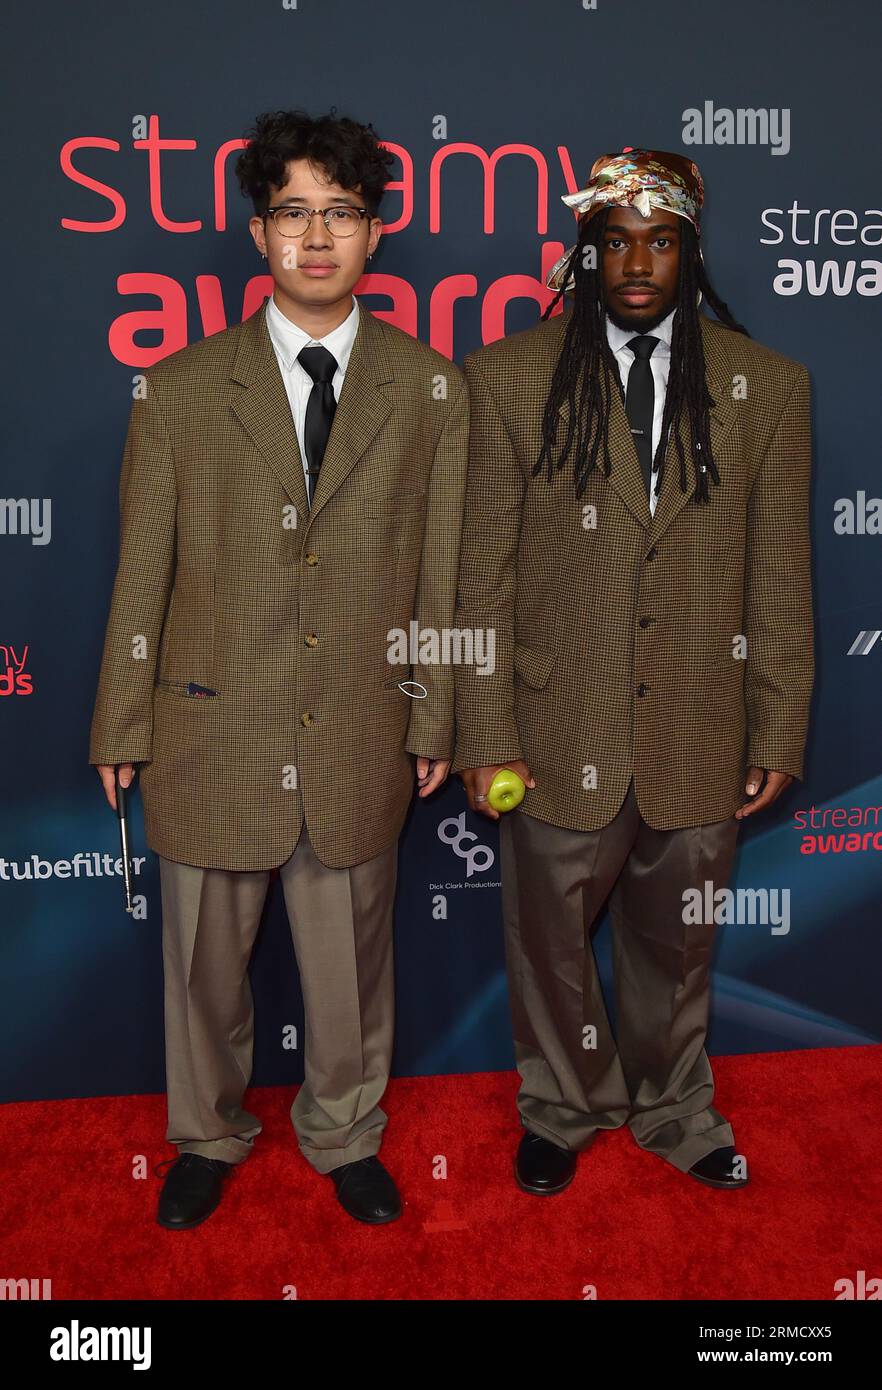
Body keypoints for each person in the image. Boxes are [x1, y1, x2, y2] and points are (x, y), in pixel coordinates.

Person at [89, 109, 468, 1228]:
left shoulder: (433, 391)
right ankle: (206, 1130)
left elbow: (444, 578)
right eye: (294, 213)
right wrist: (121, 719)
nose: (317, 237)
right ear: (259, 233)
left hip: (359, 727)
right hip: (212, 728)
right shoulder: (179, 391)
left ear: (375, 234)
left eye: (341, 214)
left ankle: (345, 1130)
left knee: (353, 964)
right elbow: (139, 573)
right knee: (204, 963)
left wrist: (434, 708)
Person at [451, 148, 813, 1194]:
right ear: (587, 255)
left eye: (660, 241)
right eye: (616, 243)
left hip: (702, 720)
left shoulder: (767, 389)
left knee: (681, 941)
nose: (638, 263)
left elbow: (780, 574)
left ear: (691, 251)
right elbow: (480, 578)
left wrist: (777, 724)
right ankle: (562, 1106)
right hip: (556, 724)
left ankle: (677, 1110)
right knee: (548, 939)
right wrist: (486, 730)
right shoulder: (508, 380)